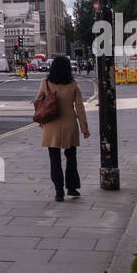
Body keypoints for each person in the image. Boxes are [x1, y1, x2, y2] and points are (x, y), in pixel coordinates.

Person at [35, 55, 90, 202]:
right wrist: (84, 128)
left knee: (54, 160)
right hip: (69, 125)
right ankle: (72, 187)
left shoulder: (45, 83)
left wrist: (42, 122)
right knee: (71, 158)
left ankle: (59, 192)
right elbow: (80, 108)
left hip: (51, 126)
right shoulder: (73, 84)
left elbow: (38, 103)